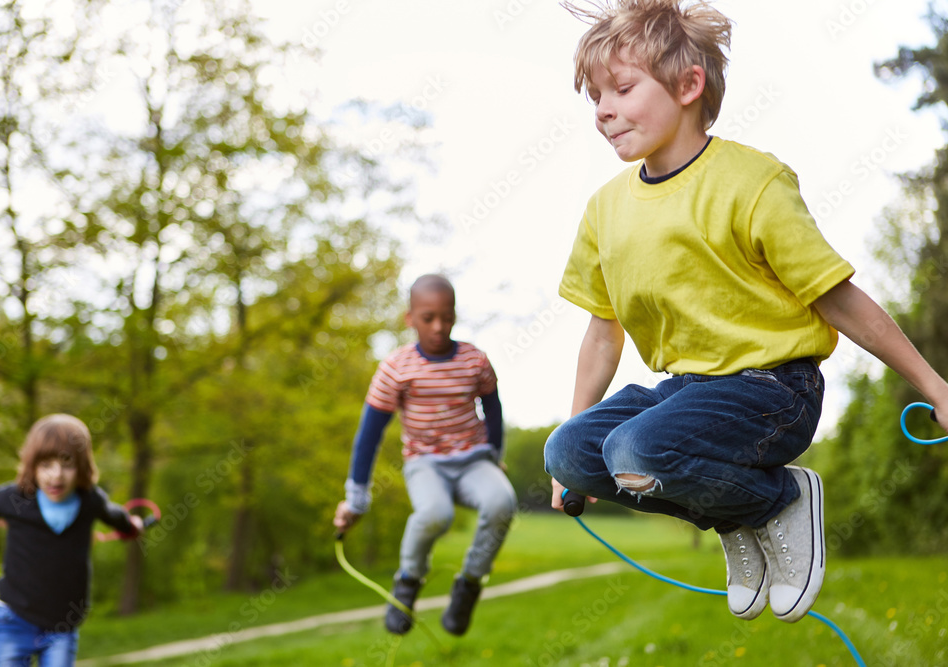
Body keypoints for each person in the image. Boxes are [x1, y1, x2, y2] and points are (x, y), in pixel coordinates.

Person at [544, 0, 948, 625]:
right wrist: (574, 457)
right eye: (595, 94)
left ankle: (778, 501)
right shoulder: (604, 209)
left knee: (634, 449)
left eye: (622, 88)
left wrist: (933, 385)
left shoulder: (752, 183)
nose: (603, 108)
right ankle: (739, 515)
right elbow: (603, 332)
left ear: (688, 85)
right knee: (570, 450)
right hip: (684, 395)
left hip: (773, 389)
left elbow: (834, 295)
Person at [333, 274, 517, 636]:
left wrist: (494, 454)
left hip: (473, 459)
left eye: (447, 318)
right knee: (435, 514)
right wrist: (356, 498)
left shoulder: (474, 360)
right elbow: (369, 435)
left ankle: (468, 586)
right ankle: (407, 582)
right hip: (425, 463)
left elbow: (493, 409)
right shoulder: (396, 368)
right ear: (410, 318)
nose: (439, 327)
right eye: (428, 317)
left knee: (502, 503)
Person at [0, 414, 143, 666]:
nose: (56, 475)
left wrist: (131, 525)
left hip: (61, 626)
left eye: (67, 464)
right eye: (46, 465)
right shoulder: (13, 500)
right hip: (14, 619)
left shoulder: (90, 501)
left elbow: (115, 516)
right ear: (32, 466)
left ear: (83, 466)